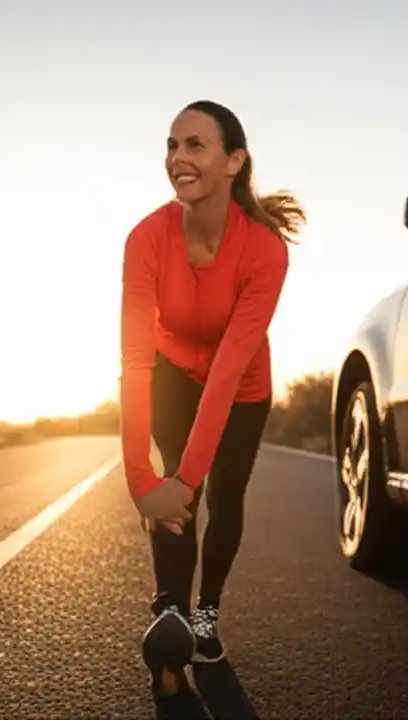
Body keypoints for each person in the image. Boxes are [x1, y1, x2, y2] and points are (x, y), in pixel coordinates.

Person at [118, 99, 304, 677]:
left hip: (241, 384)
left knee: (221, 497)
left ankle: (205, 614)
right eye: (171, 146)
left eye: (194, 145)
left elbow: (227, 370)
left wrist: (184, 482)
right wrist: (141, 482)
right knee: (172, 485)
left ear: (234, 161)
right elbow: (134, 358)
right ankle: (170, 607)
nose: (178, 158)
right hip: (170, 369)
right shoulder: (145, 238)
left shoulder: (265, 250)